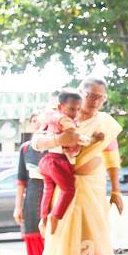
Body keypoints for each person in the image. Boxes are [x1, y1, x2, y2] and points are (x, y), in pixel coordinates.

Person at [29, 77, 124, 255]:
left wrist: (116, 190)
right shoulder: (60, 116)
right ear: (81, 94)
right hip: (66, 189)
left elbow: (112, 157)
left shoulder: (105, 124)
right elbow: (35, 143)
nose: (95, 101)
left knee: (93, 244)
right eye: (91, 95)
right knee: (63, 246)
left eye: (101, 97)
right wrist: (59, 140)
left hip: (93, 189)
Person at [37, 89, 104, 233]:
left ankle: (43, 218)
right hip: (57, 161)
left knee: (48, 190)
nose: (74, 113)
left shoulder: (50, 118)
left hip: (47, 160)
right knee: (68, 189)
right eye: (71, 109)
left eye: (77, 109)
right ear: (60, 106)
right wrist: (95, 139)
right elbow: (79, 139)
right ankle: (55, 216)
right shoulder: (65, 121)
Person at [14, 111, 48, 255]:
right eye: (34, 120)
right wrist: (18, 206)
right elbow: (21, 180)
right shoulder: (26, 149)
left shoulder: (55, 145)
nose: (37, 123)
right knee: (33, 241)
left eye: (40, 120)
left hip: (52, 200)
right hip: (32, 200)